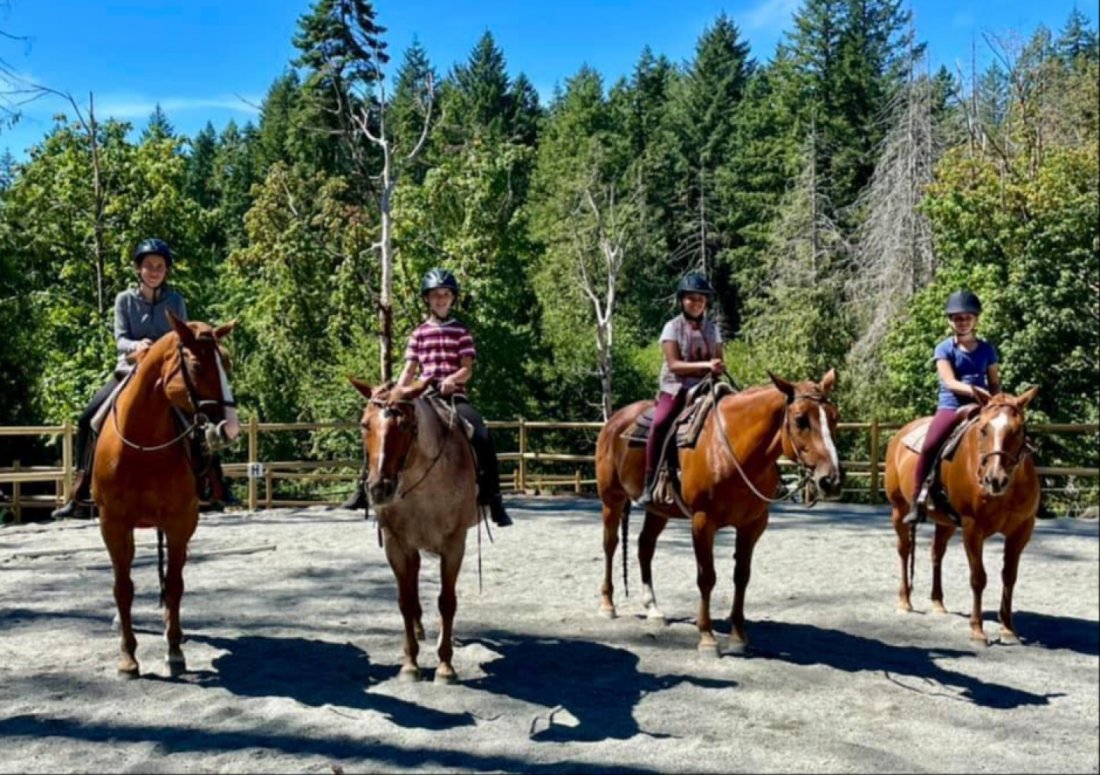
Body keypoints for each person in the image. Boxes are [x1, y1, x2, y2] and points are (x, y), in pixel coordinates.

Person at [52, 239, 235, 518]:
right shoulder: (124, 300)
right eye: (149, 265)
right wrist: (136, 347)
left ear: (166, 271)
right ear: (138, 269)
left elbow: (183, 340)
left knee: (200, 413)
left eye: (159, 266)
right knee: (89, 417)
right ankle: (81, 489)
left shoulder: (176, 301)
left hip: (167, 374)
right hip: (130, 369)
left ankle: (216, 483)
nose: (154, 270)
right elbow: (120, 339)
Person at [341, 268, 513, 527]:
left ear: (452, 298)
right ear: (427, 299)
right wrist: (395, 395)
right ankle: (364, 487)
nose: (441, 299)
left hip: (453, 396)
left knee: (480, 432)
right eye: (435, 296)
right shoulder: (419, 333)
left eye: (445, 295)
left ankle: (494, 498)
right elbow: (410, 369)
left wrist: (452, 380)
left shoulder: (461, 332)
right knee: (384, 430)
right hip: (423, 394)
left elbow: (467, 368)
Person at [904, 289, 1001, 525]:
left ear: (976, 320)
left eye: (967, 317)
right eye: (958, 318)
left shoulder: (987, 349)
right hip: (952, 406)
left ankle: (1033, 496)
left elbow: (995, 381)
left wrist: (998, 402)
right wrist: (976, 392)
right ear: (950, 321)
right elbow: (949, 381)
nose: (963, 322)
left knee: (1016, 436)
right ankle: (917, 500)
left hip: (983, 406)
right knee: (929, 446)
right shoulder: (944, 349)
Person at [637, 273, 725, 507]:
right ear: (681, 300)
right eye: (691, 298)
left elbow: (718, 359)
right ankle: (651, 481)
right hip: (676, 387)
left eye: (701, 299)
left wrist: (717, 367)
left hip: (707, 387)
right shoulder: (671, 327)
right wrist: (706, 365)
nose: (696, 303)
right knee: (660, 423)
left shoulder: (712, 329)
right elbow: (675, 364)